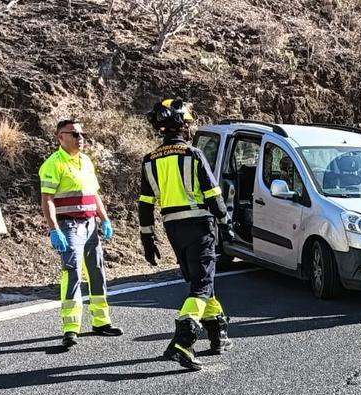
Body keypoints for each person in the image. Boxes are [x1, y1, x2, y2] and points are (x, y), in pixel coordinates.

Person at [137, 98, 231, 371]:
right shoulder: (193, 154)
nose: (191, 128)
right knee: (202, 285)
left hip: (173, 229)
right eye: (188, 123)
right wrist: (225, 222)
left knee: (201, 281)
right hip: (200, 224)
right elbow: (213, 194)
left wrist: (147, 237)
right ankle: (183, 341)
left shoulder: (149, 160)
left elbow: (145, 203)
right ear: (180, 124)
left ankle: (218, 334)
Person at [39, 119, 122, 349]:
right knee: (72, 273)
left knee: (96, 271)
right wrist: (54, 229)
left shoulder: (85, 161)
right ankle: (71, 328)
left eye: (82, 134)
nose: (80, 138)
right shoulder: (53, 164)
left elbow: (94, 195)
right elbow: (47, 200)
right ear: (60, 137)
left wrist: (104, 219)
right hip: (70, 226)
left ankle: (101, 321)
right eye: (75, 134)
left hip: (90, 224)